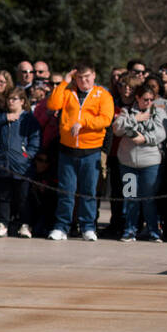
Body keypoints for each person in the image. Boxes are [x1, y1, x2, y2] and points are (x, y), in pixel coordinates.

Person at [46, 63, 115, 241]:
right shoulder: (68, 92)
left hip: (91, 150)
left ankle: (88, 227)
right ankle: (61, 226)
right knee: (66, 192)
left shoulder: (103, 95)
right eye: (79, 78)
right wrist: (64, 82)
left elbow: (106, 119)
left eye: (87, 77)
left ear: (94, 76)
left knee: (88, 192)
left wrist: (83, 122)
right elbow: (53, 104)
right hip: (68, 150)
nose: (83, 81)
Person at [113, 83, 167, 242]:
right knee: (130, 197)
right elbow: (117, 128)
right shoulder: (127, 111)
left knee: (148, 198)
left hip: (150, 162)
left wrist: (144, 138)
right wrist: (135, 118)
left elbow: (160, 133)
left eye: (151, 99)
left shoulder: (158, 112)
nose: (149, 103)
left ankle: (153, 230)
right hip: (128, 162)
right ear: (137, 98)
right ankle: (130, 230)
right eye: (145, 99)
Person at [0, 87, 40, 237]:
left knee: (23, 197)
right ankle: (2, 223)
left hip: (21, 164)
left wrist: (27, 155)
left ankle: (25, 224)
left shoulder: (29, 119)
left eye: (14, 99)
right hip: (2, 162)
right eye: (9, 99)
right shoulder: (1, 116)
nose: (10, 102)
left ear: (22, 101)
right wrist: (4, 118)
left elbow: (35, 139)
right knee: (3, 196)